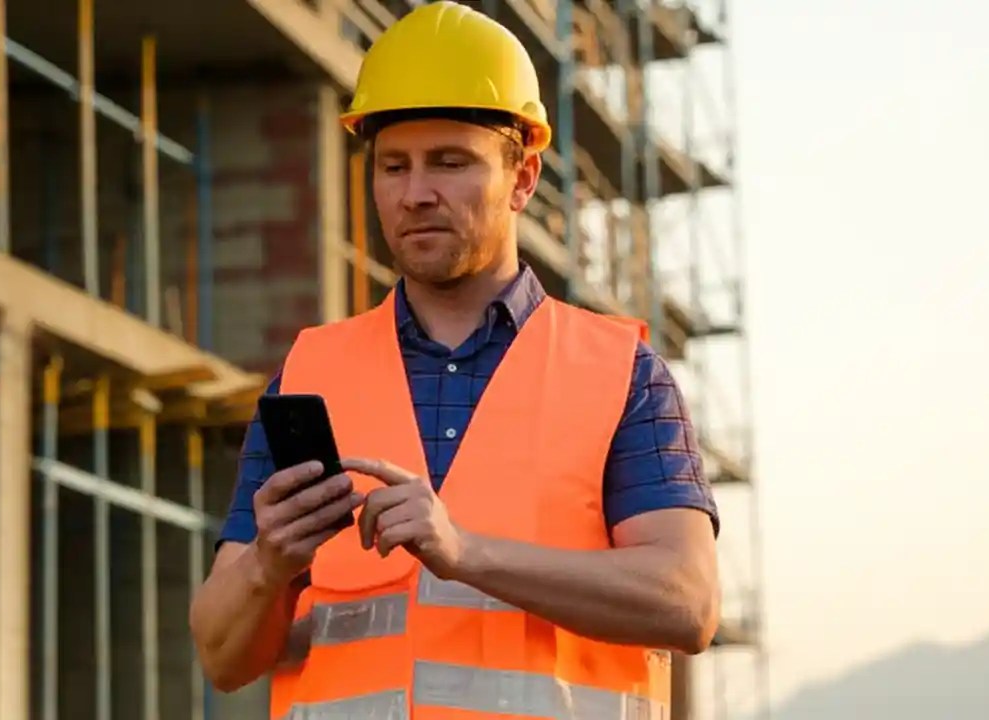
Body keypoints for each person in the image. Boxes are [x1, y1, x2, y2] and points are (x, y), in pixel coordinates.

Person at [189, 2, 721, 717]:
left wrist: (466, 552)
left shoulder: (619, 372)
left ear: (524, 178)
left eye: (450, 162)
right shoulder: (312, 374)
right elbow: (222, 658)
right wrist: (267, 565)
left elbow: (687, 601)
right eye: (393, 166)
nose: (415, 195)